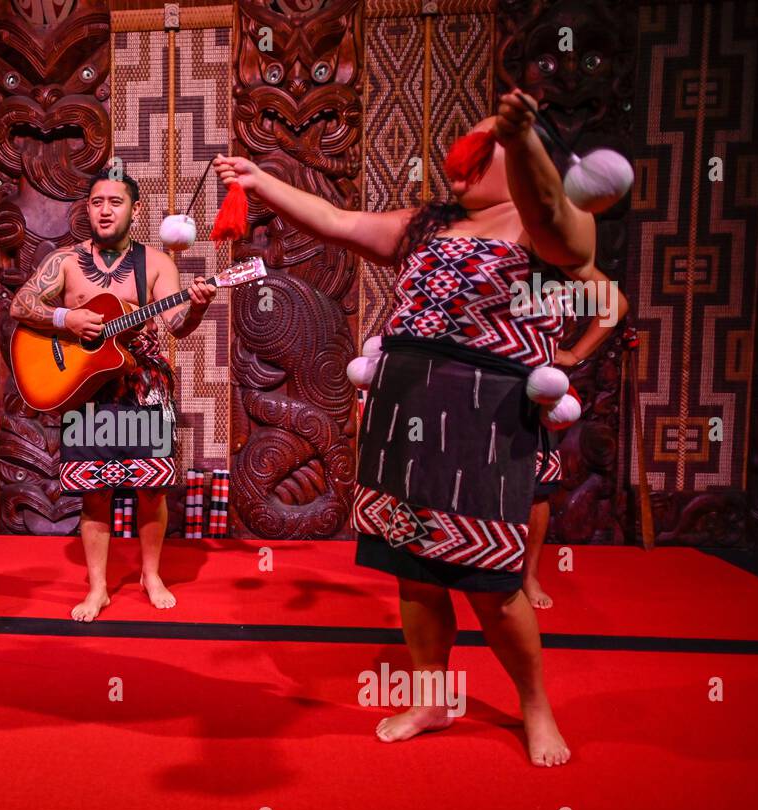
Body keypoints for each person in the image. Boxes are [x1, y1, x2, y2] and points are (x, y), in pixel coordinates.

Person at [214, 89, 593, 766]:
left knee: (494, 586)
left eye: (490, 147)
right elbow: (335, 219)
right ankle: (432, 697)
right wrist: (260, 181)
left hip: (487, 413)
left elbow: (574, 237)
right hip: (404, 404)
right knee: (413, 574)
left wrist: (527, 137)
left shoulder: (546, 229)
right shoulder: (428, 225)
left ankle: (535, 705)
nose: (467, 161)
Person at [9, 171, 216, 621]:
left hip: (144, 387)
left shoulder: (157, 263)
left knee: (150, 489)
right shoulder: (63, 261)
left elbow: (177, 323)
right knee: (94, 493)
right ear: (87, 209)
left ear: (134, 210)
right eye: (96, 201)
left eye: (115, 201)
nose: (104, 209)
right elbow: (20, 304)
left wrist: (197, 304)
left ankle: (151, 574)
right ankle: (99, 587)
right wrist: (66, 318)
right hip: (86, 393)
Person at [523, 268, 629, 609]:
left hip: (532, 384)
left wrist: (575, 354)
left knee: (537, 488)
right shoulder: (487, 257)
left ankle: (528, 575)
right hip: (477, 380)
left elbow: (615, 304)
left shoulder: (554, 272)